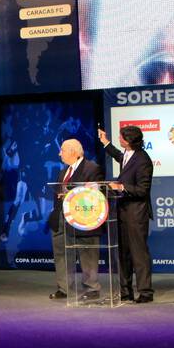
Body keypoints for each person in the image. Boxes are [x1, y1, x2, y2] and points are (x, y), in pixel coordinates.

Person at [99, 124, 155, 303]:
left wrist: (122, 187)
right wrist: (105, 142)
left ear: (129, 140)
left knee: (139, 254)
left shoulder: (143, 160)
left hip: (137, 214)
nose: (119, 139)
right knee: (123, 254)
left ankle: (145, 292)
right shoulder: (128, 155)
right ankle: (125, 291)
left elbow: (143, 190)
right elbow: (119, 156)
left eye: (121, 137)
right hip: (123, 212)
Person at [49, 138, 103, 301]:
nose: (60, 153)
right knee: (61, 254)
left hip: (82, 218)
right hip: (60, 217)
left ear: (73, 151)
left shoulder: (92, 168)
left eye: (63, 150)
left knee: (87, 253)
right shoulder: (63, 171)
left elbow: (93, 194)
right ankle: (64, 288)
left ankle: (92, 288)